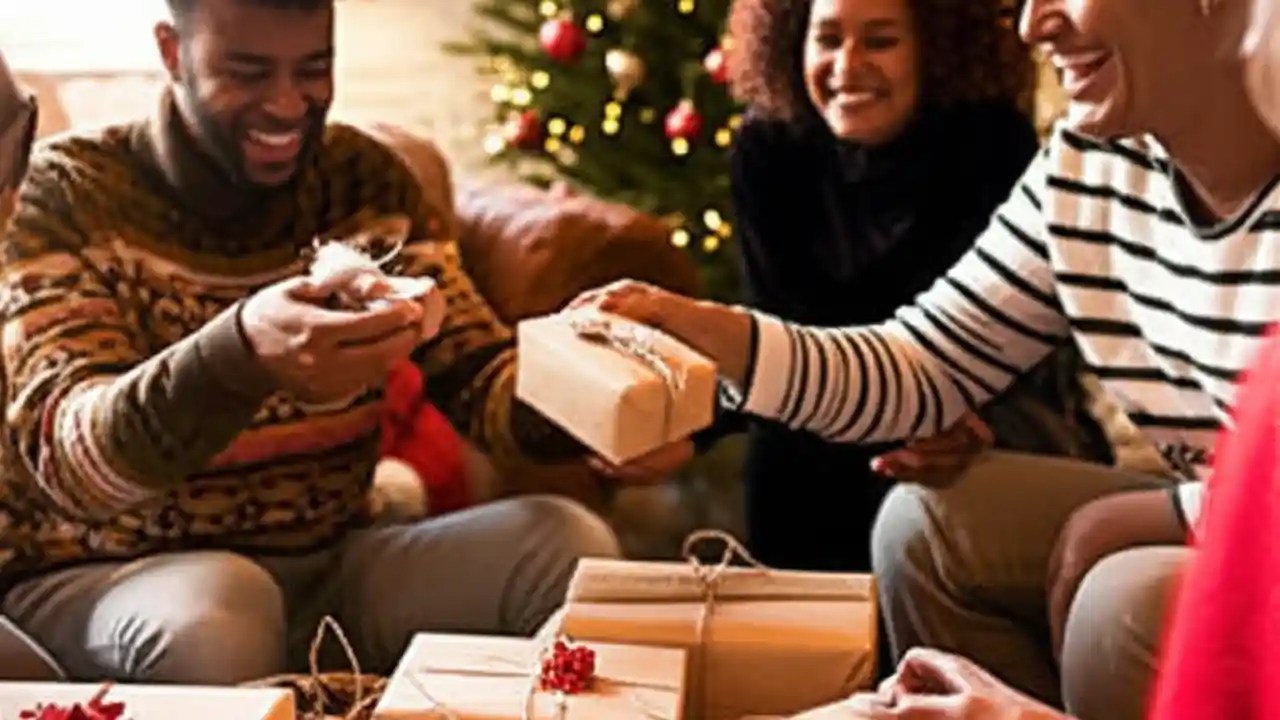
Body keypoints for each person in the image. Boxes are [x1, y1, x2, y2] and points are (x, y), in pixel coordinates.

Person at [574, 0, 1280, 716]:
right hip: (1226, 511)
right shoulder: (1089, 163)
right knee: (925, 526)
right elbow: (924, 365)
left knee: (1121, 597)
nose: (1034, 24)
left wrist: (1170, 512)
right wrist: (722, 339)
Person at [0, 0, 624, 685]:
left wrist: (606, 403)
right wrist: (239, 353)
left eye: (314, 69)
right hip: (116, 580)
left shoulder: (364, 179)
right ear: (173, 53)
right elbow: (72, 458)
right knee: (225, 609)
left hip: (332, 564)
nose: (288, 104)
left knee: (567, 544)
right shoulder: (63, 194)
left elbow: (479, 376)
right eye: (248, 72)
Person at [653, 0, 1110, 574]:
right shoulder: (766, 149)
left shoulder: (992, 142)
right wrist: (686, 425)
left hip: (977, 411)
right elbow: (781, 321)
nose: (847, 64)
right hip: (819, 410)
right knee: (786, 455)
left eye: (880, 41)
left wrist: (948, 412)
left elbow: (993, 350)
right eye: (827, 39)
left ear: (933, 50)